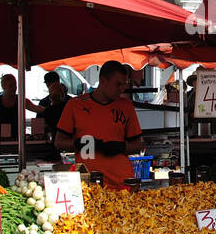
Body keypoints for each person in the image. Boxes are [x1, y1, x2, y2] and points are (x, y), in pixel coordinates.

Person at [54, 61, 143, 189]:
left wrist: (120, 147)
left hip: (121, 183)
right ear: (103, 81)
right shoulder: (75, 105)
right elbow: (59, 143)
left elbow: (138, 145)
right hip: (89, 183)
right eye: (118, 84)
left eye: (124, 85)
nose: (122, 89)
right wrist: (80, 143)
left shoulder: (126, 106)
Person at [35, 71, 71, 142]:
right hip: (68, 138)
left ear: (47, 84)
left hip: (50, 139)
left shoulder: (44, 102)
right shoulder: (70, 101)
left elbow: (38, 125)